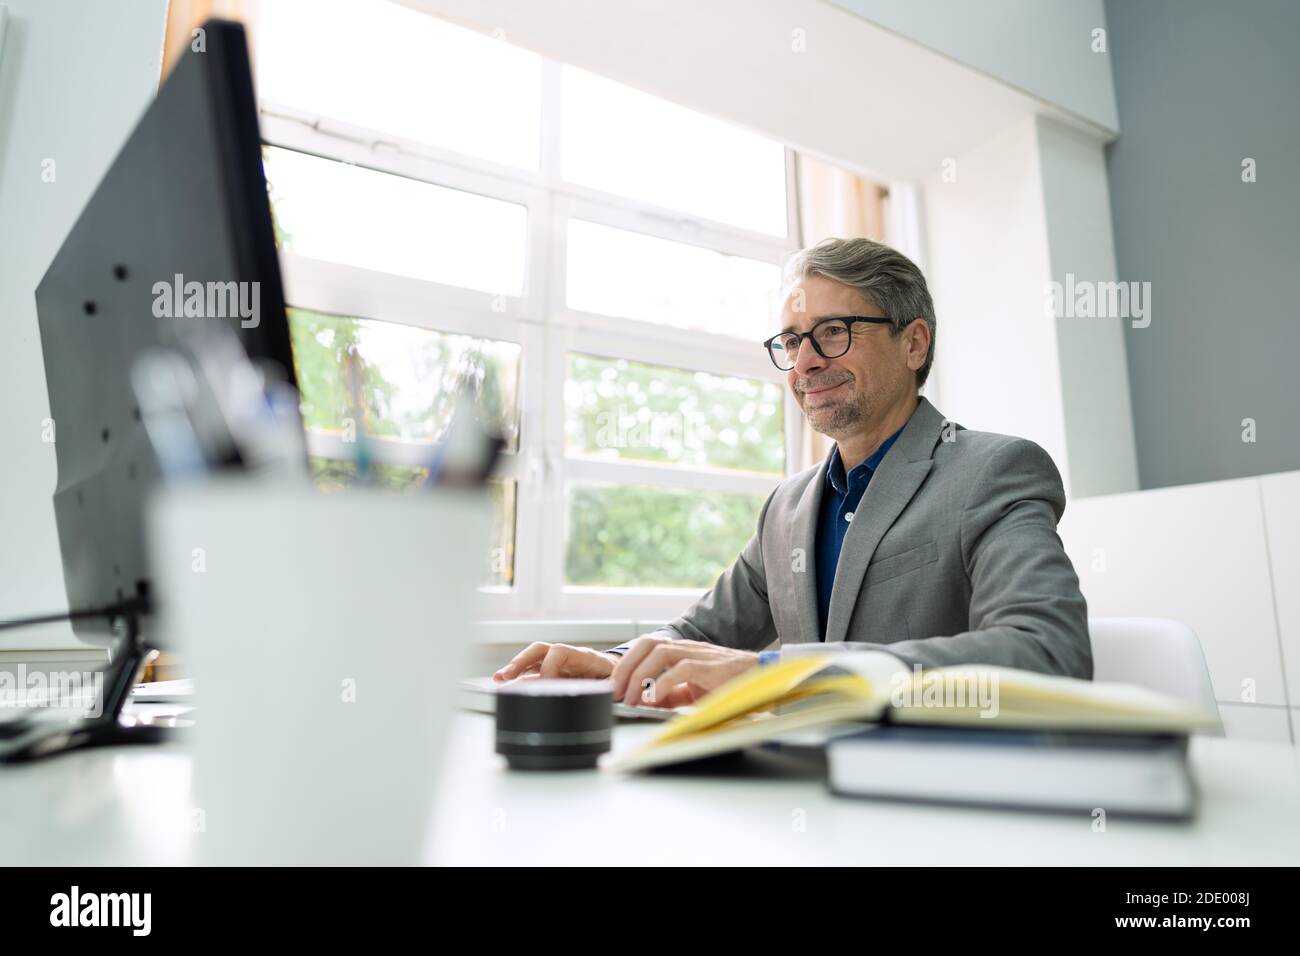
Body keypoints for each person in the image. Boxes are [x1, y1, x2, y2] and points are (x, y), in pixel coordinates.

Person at [495, 237, 1090, 709]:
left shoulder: (994, 471)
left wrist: (774, 673)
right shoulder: (787, 507)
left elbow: (1047, 652)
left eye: (833, 332)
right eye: (791, 340)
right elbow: (701, 635)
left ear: (914, 344)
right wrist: (615, 662)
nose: (805, 362)